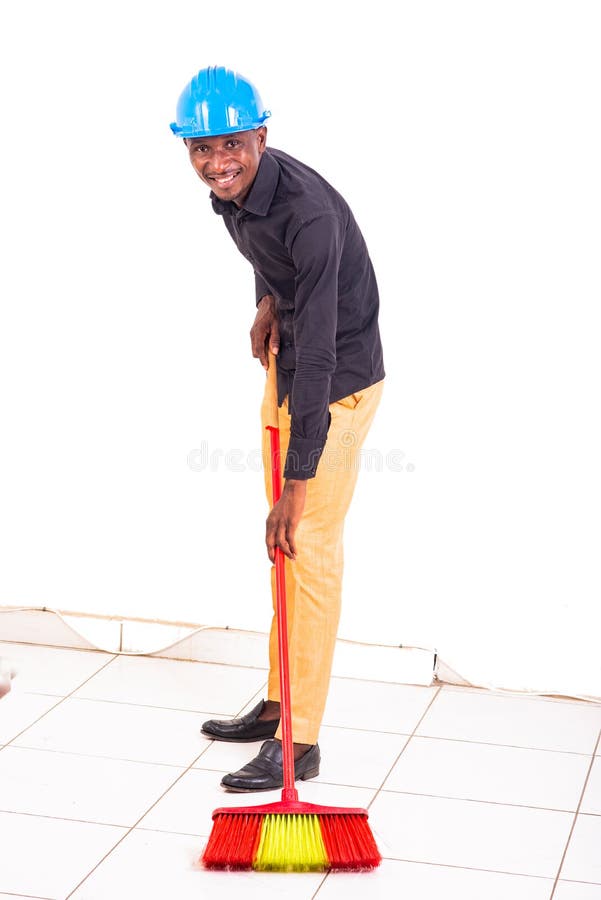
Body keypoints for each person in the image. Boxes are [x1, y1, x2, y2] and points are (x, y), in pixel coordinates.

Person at [170, 66, 385, 791]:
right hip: (286, 366)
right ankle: (275, 702)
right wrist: (267, 300)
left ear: (261, 135)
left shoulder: (307, 212)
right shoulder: (236, 195)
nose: (215, 160)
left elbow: (324, 350)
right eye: (200, 147)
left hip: (334, 385)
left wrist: (297, 484)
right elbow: (272, 260)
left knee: (307, 548)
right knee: (280, 553)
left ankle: (301, 741)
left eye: (231, 143)